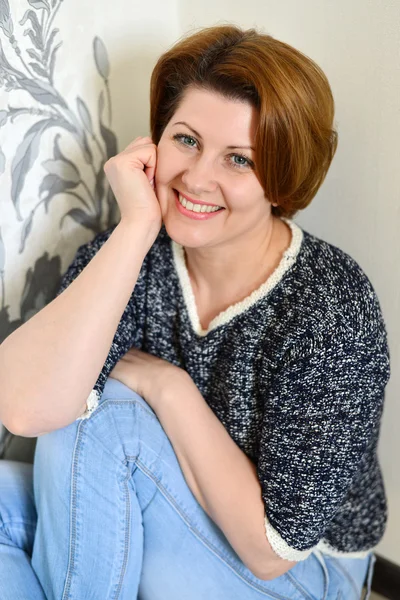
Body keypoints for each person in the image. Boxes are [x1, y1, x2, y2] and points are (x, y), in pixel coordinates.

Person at [0, 24, 390, 600]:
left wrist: (169, 386)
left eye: (239, 159)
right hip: (171, 503)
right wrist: (136, 227)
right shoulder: (137, 251)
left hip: (308, 575)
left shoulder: (330, 305)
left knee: (108, 418)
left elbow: (272, 549)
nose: (198, 178)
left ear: (281, 179)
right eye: (185, 140)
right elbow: (25, 408)